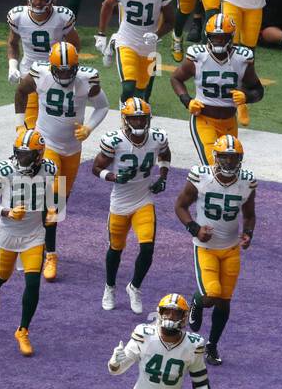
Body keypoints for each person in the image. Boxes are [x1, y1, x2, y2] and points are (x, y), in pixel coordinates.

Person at [14, 41, 107, 282]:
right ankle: (50, 254)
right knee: (53, 201)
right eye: (61, 70)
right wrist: (21, 124)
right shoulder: (41, 74)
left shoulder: (87, 79)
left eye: (69, 70)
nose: (65, 74)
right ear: (53, 67)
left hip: (73, 149)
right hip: (48, 145)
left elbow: (102, 106)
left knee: (59, 204)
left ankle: (36, 242)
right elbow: (21, 91)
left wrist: (89, 128)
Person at [175, 134, 255, 366]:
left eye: (234, 158)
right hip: (205, 248)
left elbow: (249, 214)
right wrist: (194, 228)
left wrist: (249, 233)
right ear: (216, 157)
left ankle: (212, 345)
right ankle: (197, 303)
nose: (229, 163)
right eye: (225, 157)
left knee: (224, 301)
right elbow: (180, 205)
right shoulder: (201, 176)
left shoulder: (247, 181)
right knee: (211, 295)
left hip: (230, 249)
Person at [92, 97, 171, 313]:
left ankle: (134, 287)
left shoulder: (157, 137)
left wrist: (162, 177)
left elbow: (165, 155)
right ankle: (109, 286)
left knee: (147, 247)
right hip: (119, 202)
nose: (138, 123)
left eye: (142, 119)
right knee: (115, 249)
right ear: (125, 120)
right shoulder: (115, 141)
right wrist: (114, 177)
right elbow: (96, 168)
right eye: (134, 119)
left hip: (144, 199)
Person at [0, 129, 60, 357]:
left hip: (34, 235)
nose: (22, 159)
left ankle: (23, 330)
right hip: (8, 233)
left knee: (33, 283)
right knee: (1, 276)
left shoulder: (49, 168)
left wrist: (52, 209)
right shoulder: (4, 170)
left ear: (39, 155)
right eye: (20, 154)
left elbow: (49, 195)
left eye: (27, 155)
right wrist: (6, 212)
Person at [171, 12, 262, 160]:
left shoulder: (242, 58)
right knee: (212, 165)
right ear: (208, 36)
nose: (218, 41)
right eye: (215, 37)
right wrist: (187, 101)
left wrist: (247, 97)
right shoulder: (198, 56)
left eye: (223, 37)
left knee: (230, 167)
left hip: (229, 121)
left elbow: (258, 90)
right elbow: (176, 78)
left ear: (231, 37)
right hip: (203, 119)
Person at [96, 0, 176, 103]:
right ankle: (125, 117)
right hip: (127, 40)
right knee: (128, 88)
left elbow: (170, 21)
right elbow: (107, 5)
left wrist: (157, 35)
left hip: (149, 45)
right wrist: (100, 34)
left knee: (141, 93)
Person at [6, 0, 79, 120]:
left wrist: (65, 66)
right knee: (30, 120)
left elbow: (75, 46)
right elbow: (12, 43)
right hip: (29, 72)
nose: (37, 2)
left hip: (56, 73)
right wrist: (12, 66)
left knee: (55, 120)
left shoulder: (62, 17)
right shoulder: (18, 16)